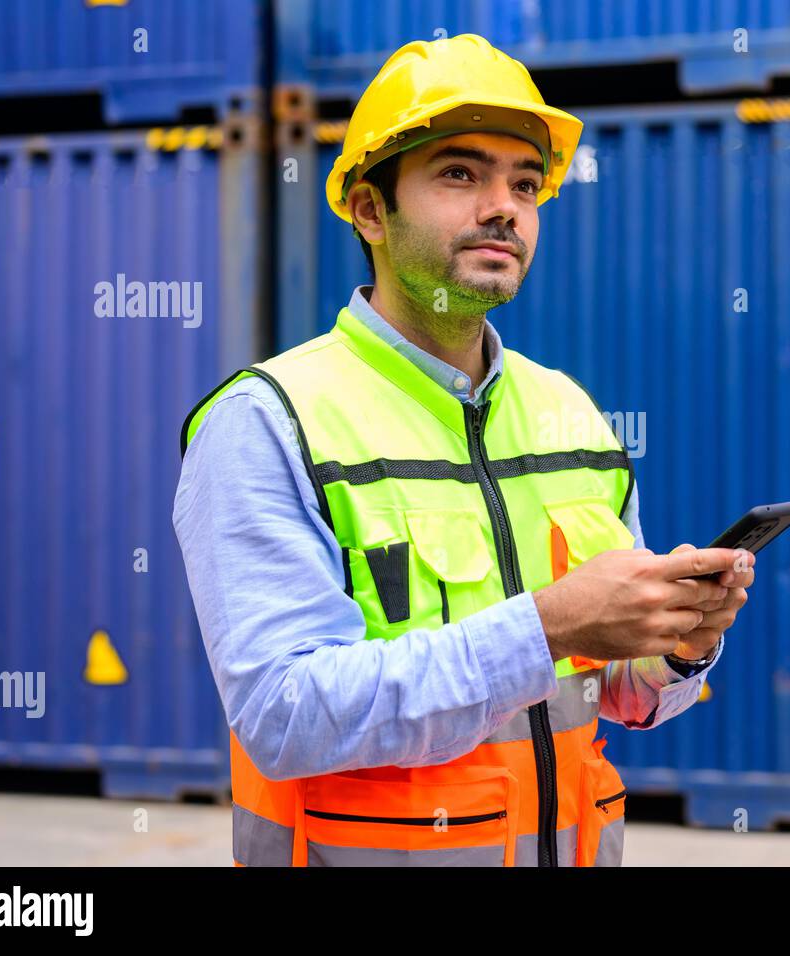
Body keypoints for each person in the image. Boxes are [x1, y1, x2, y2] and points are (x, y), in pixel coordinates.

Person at [173, 33, 755, 867]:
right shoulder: (269, 420)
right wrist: (550, 622)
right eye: (459, 174)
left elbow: (615, 693)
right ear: (371, 210)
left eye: (525, 183)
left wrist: (678, 646)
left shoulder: (571, 414)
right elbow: (285, 715)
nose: (504, 207)